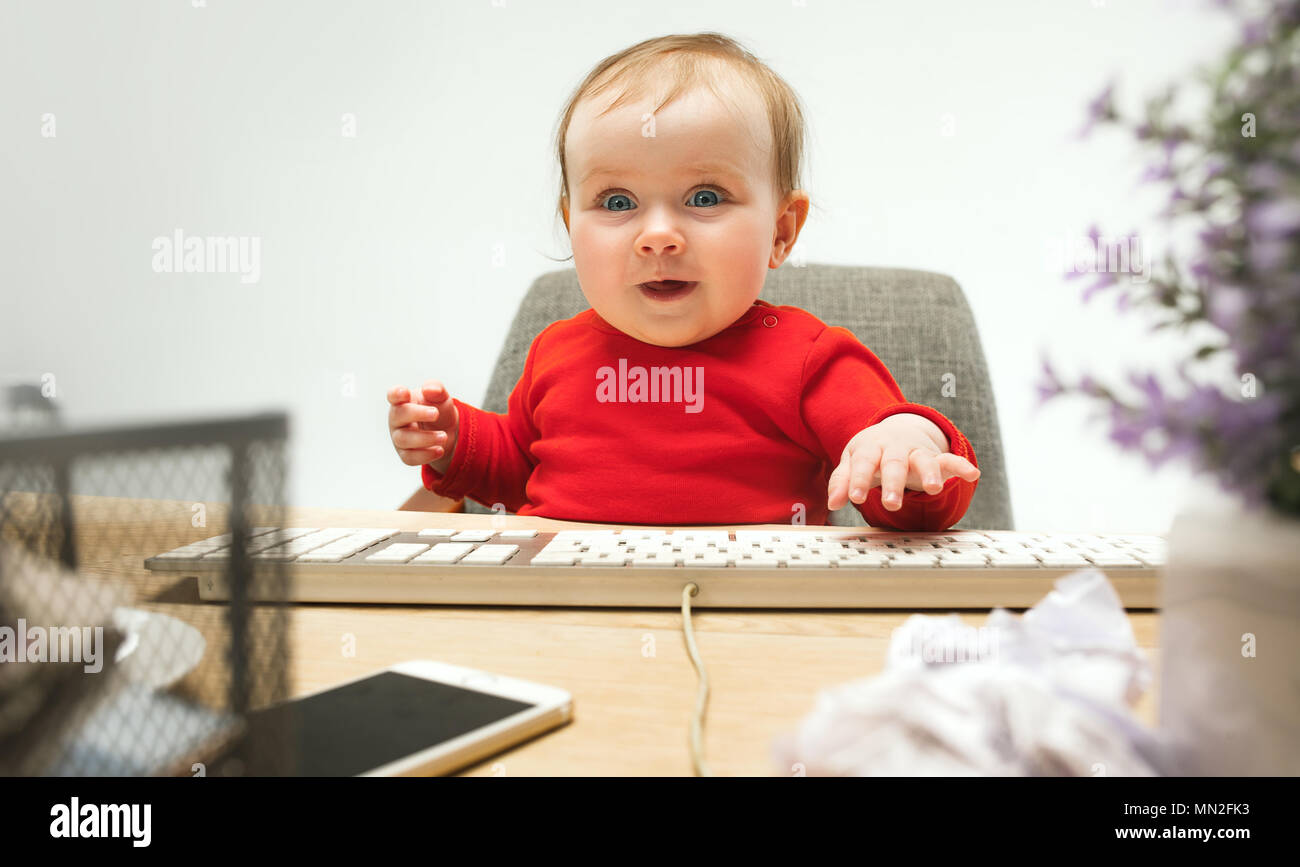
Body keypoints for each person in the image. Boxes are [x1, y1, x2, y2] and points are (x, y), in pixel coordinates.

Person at [388, 32, 980, 529]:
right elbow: (517, 474)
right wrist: (456, 438)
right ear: (572, 228)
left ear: (781, 230)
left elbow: (897, 488)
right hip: (564, 603)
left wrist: (908, 446)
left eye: (704, 197)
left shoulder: (811, 361)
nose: (658, 235)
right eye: (617, 200)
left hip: (748, 612)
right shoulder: (556, 353)